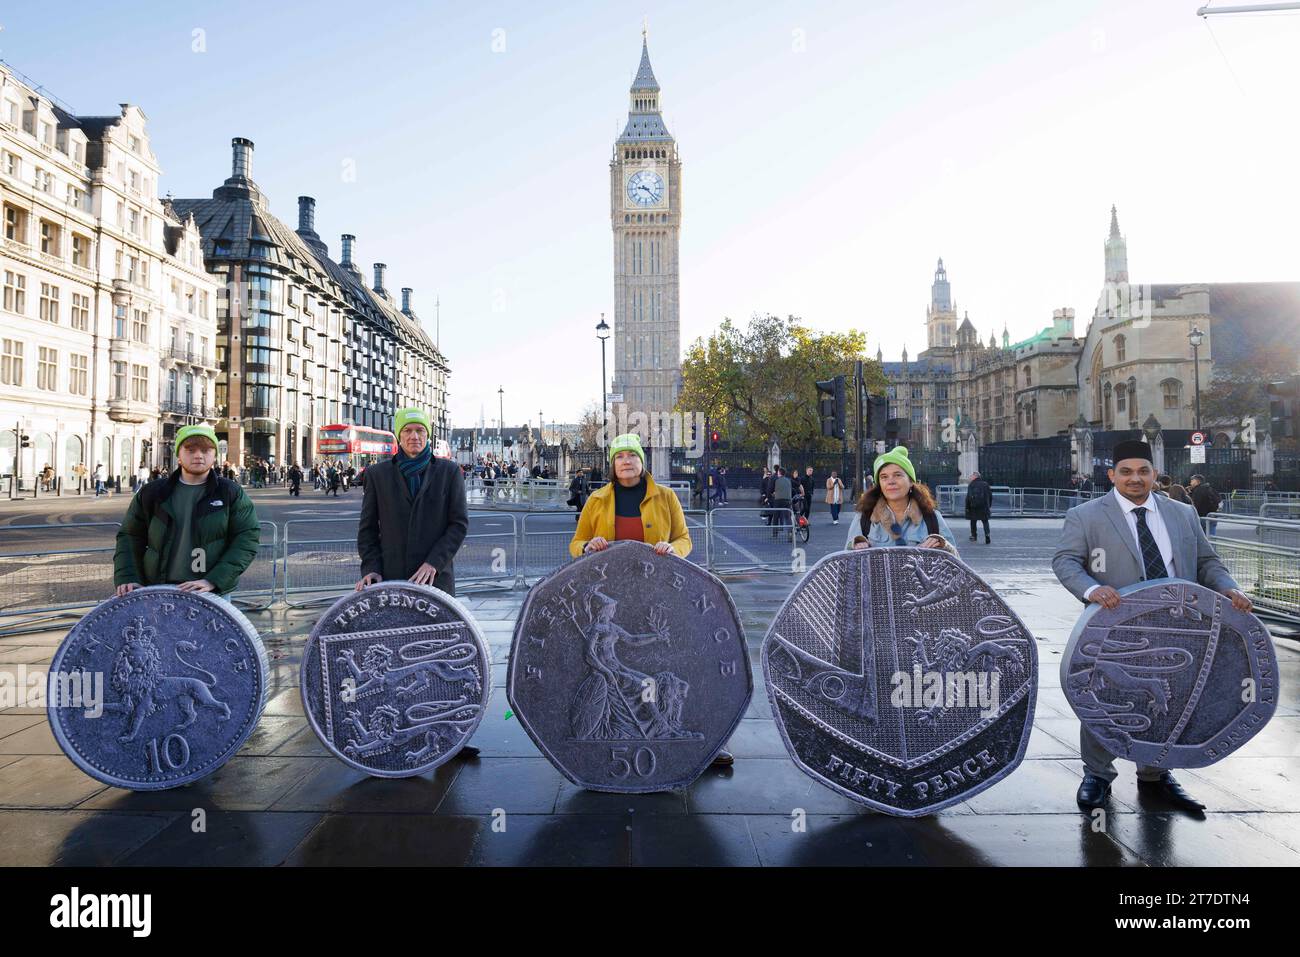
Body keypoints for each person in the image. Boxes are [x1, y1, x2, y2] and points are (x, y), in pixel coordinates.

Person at [1051, 440, 1252, 815]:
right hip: (1114, 623)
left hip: (1176, 625)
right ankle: (1097, 775)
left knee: (1170, 696)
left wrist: (1229, 588)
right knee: (1102, 695)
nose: (1135, 479)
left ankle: (1156, 773)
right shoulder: (1086, 515)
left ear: (1154, 474)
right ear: (1111, 475)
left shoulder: (1182, 512)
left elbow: (1207, 561)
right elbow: (1065, 561)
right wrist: (1092, 589)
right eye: (1125, 472)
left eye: (1143, 471)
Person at [570, 434, 732, 766]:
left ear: (642, 462)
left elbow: (684, 538)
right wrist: (588, 546)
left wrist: (675, 549)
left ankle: (706, 739)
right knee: (649, 673)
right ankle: (651, 731)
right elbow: (577, 543)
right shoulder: (597, 500)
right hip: (614, 595)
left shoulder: (666, 497)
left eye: (632, 455)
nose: (626, 461)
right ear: (612, 464)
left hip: (658, 594)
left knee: (679, 664)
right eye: (619, 457)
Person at [355, 407, 473, 756]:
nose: (414, 437)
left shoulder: (449, 472)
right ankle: (402, 732)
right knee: (399, 662)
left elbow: (458, 524)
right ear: (398, 436)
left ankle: (452, 734)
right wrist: (370, 568)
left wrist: (434, 563)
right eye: (407, 431)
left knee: (440, 659)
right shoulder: (377, 475)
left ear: (428, 436)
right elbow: (367, 529)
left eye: (420, 431)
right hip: (393, 580)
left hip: (436, 579)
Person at [113, 424, 260, 597]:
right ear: (179, 455)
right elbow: (130, 536)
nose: (198, 455)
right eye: (190, 450)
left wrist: (214, 580)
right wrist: (128, 577)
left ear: (215, 456)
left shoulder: (230, 492)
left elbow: (246, 538)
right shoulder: (153, 492)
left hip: (210, 592)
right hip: (157, 588)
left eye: (206, 450)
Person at [845, 447, 957, 553]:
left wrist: (943, 546)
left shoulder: (932, 518)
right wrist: (854, 548)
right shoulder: (864, 518)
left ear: (911, 481)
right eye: (884, 477)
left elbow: (956, 563)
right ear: (879, 484)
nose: (891, 481)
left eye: (897, 475)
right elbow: (845, 563)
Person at [965, 471, 993, 544]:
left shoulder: (971, 484)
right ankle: (987, 535)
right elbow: (990, 496)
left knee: (973, 521)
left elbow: (968, 497)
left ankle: (974, 536)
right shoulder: (985, 484)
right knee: (985, 521)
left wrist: (967, 507)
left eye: (971, 476)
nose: (970, 477)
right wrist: (989, 505)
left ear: (975, 476)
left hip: (974, 506)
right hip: (984, 506)